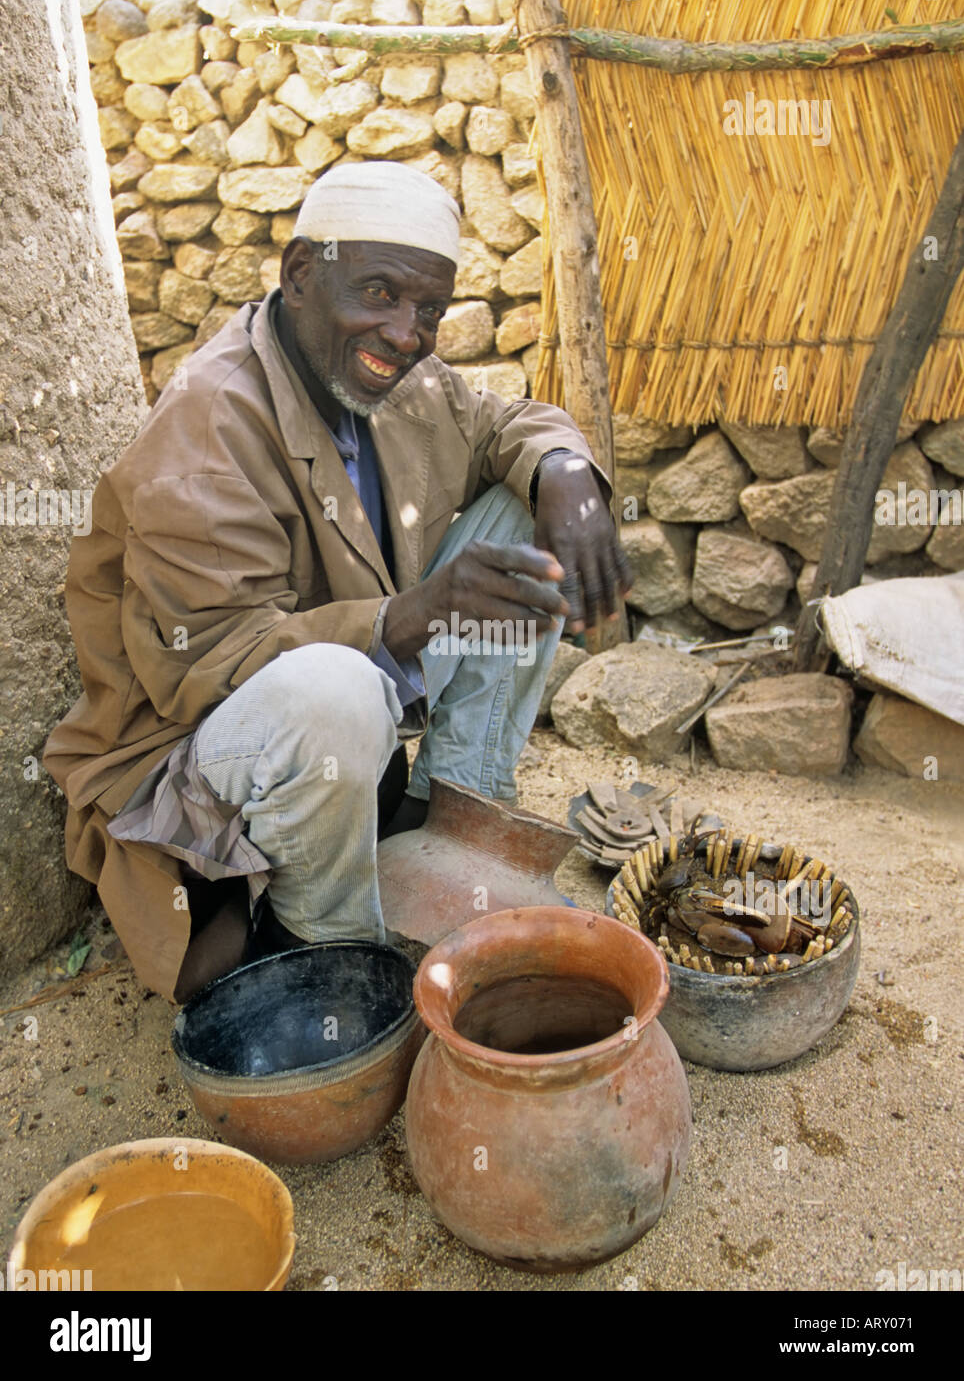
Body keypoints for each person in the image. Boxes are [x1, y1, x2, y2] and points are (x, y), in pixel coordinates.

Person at [43, 161, 632, 1002]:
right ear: (300, 276)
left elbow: (504, 426)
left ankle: (448, 819)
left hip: (349, 720)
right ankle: (321, 948)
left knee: (521, 498)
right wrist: (414, 613)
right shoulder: (208, 426)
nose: (406, 332)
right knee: (334, 688)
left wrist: (568, 470)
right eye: (380, 293)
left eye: (428, 309)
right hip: (195, 746)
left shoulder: (398, 380)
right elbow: (205, 665)